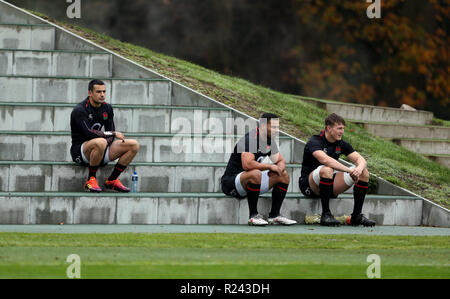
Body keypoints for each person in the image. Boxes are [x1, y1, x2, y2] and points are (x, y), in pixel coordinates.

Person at [299, 113, 375, 227]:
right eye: (339, 128)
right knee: (327, 169)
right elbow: (326, 160)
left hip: (328, 185)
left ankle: (356, 216)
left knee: (364, 172)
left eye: (343, 129)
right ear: (329, 128)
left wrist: (358, 169)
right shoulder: (315, 141)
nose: (342, 132)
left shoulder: (341, 143)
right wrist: (350, 171)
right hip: (308, 185)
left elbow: (361, 159)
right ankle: (326, 215)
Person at [221, 113, 297, 226]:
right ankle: (253, 216)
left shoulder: (269, 141)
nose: (277, 130)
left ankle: (275, 215)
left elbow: (281, 161)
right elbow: (247, 165)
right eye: (274, 127)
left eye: (278, 127)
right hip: (232, 183)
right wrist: (270, 166)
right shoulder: (250, 139)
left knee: (283, 175)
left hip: (251, 183)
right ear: (262, 126)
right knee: (255, 173)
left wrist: (278, 169)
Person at [70, 79, 140, 192]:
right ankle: (91, 179)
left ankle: (112, 180)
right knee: (100, 142)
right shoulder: (80, 110)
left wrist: (107, 142)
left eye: (104, 91)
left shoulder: (107, 108)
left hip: (99, 148)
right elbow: (89, 133)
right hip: (80, 152)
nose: (102, 95)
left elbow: (111, 132)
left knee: (133, 145)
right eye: (98, 92)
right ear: (90, 93)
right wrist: (110, 136)